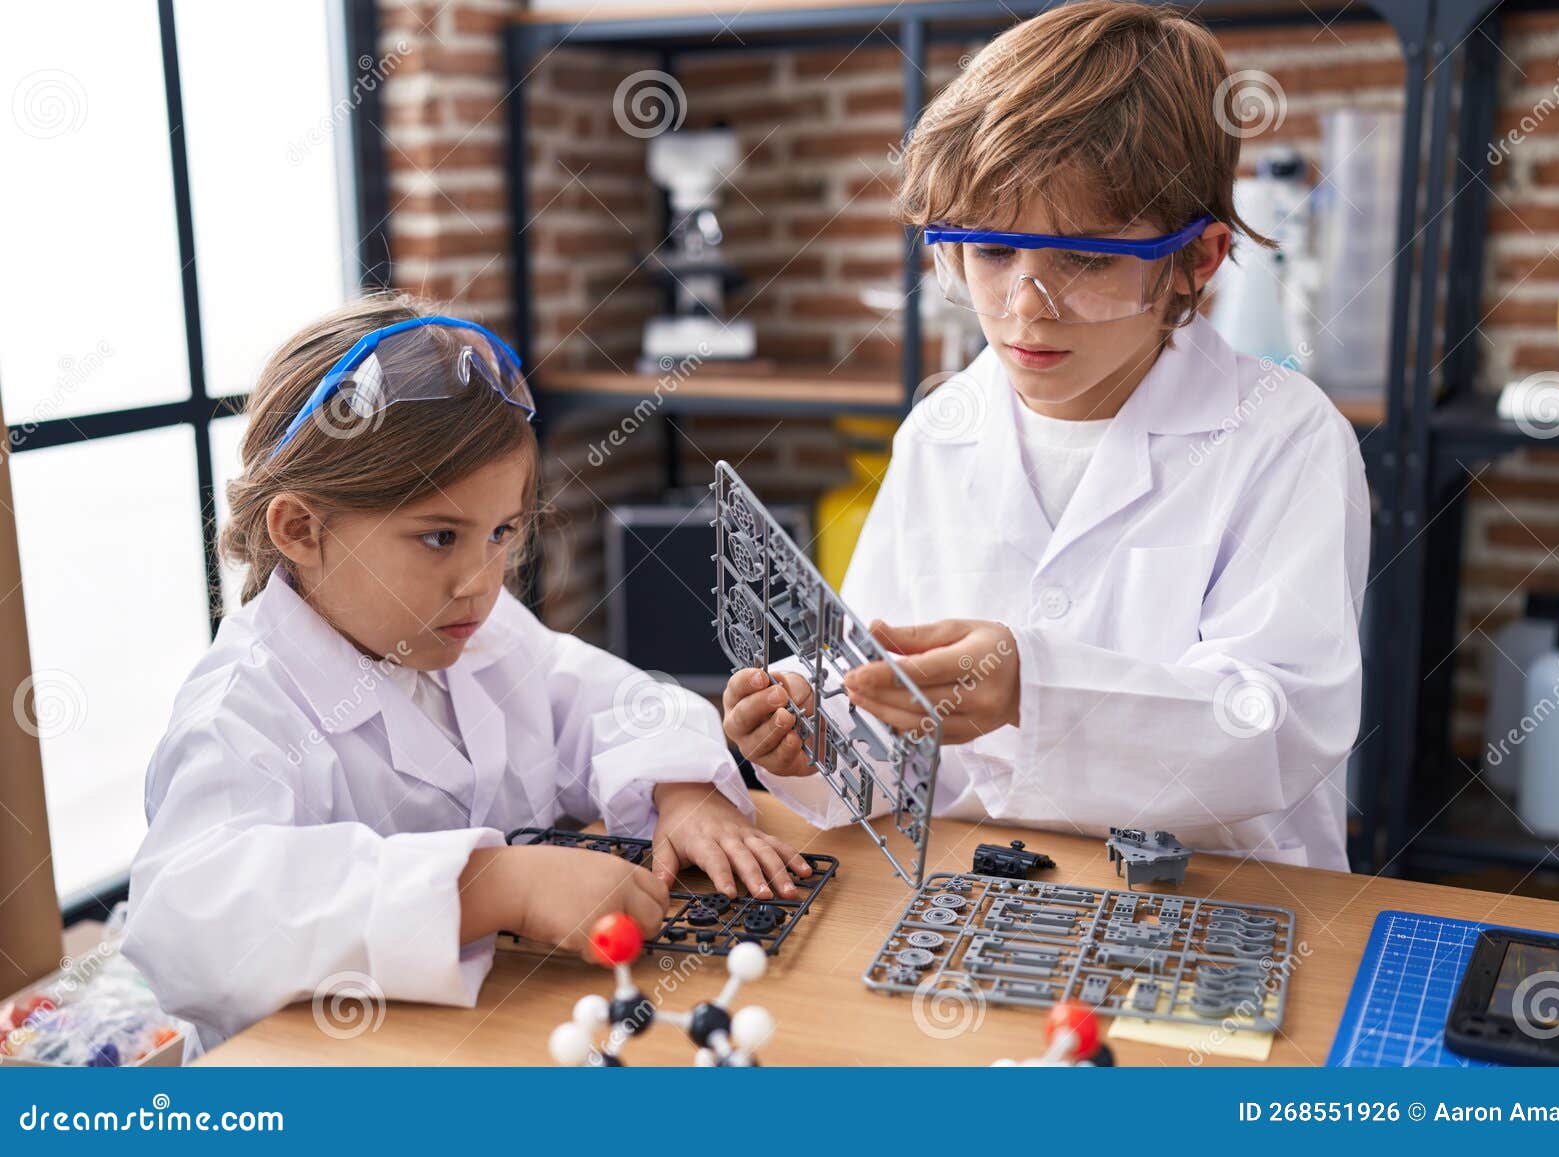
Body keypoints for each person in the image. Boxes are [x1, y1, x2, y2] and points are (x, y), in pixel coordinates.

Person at [723, 0, 1368, 871]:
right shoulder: (940, 430)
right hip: (978, 882)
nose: (1028, 306)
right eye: (990, 252)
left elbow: (1275, 727)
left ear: (1198, 259)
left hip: (1220, 895)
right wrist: (815, 731)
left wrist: (1035, 688)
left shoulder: (1285, 439)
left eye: (1088, 260)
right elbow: (887, 711)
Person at [123, 294, 809, 1058]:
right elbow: (195, 920)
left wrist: (678, 792)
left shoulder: (476, 633)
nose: (481, 580)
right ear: (300, 529)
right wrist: (490, 885)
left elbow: (602, 700)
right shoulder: (241, 712)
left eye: (502, 533)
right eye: (440, 536)